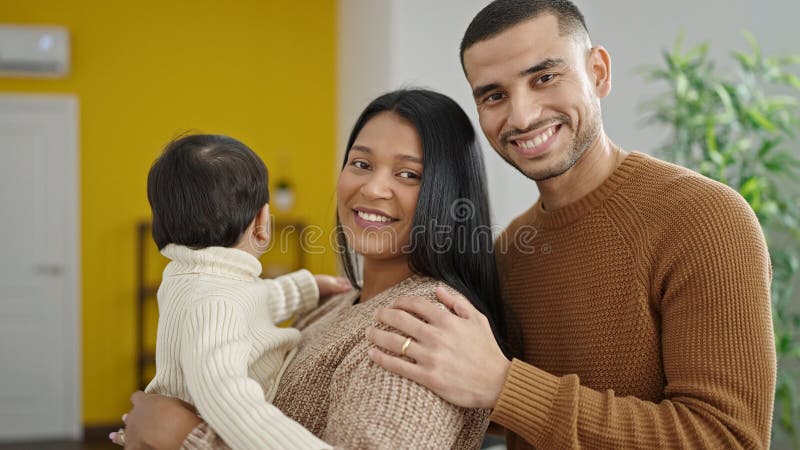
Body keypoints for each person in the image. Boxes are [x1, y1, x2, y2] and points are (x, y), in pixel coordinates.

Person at [366, 1, 776, 449]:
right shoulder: (511, 253)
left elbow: (727, 438)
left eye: (544, 77)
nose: (522, 117)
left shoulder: (706, 219)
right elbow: (486, 403)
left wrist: (506, 386)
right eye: (494, 96)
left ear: (598, 72)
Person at [113, 89, 510, 449]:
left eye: (408, 174)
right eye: (361, 163)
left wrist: (184, 436)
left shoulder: (423, 326)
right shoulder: (336, 304)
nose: (372, 188)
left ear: (451, 195)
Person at [111, 134, 353, 449]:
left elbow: (256, 300)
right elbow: (232, 404)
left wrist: (307, 287)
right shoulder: (214, 302)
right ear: (262, 224)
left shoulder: (201, 280)